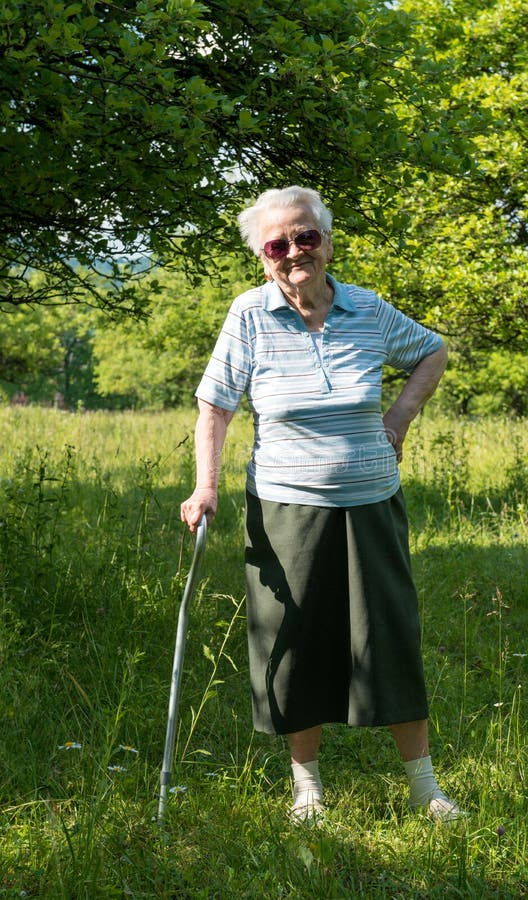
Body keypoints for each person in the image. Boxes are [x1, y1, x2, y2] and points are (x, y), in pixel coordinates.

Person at [181, 186, 461, 824]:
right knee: (293, 640)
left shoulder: (367, 309)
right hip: (285, 506)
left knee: (390, 634)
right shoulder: (249, 315)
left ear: (328, 243)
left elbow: (432, 351)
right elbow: (214, 408)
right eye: (277, 245)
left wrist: (399, 418)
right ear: (263, 259)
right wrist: (206, 487)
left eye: (305, 236)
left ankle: (425, 788)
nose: (293, 251)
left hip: (371, 502)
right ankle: (307, 788)